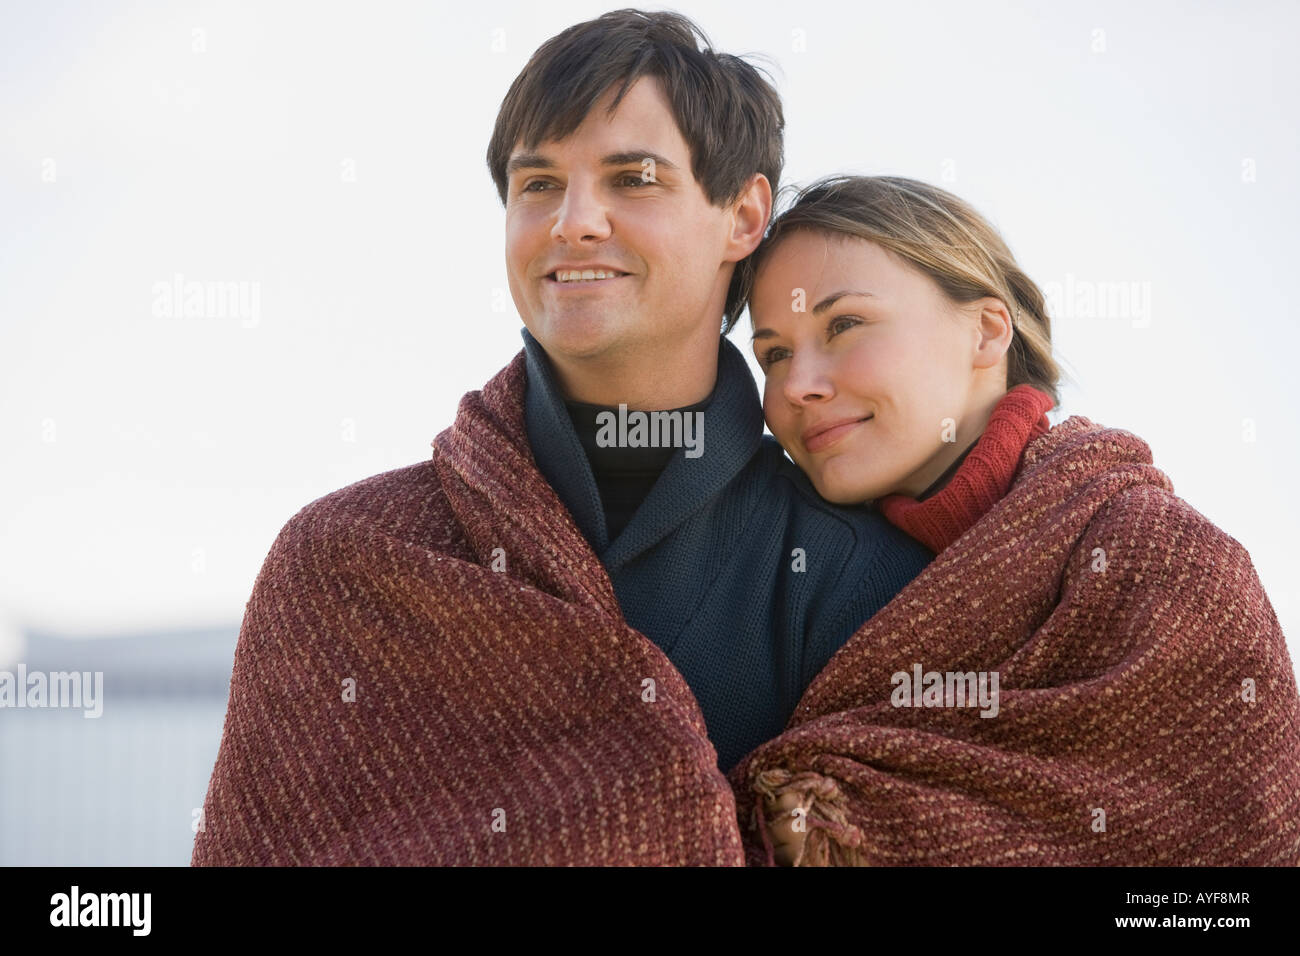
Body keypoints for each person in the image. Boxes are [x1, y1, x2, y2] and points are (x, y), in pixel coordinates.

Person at [191, 12, 932, 866]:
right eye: (537, 184)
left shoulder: (865, 577)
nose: (573, 221)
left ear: (743, 214)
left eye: (634, 178)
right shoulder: (342, 561)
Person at [732, 174, 1300, 866]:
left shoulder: (1162, 554)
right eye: (774, 354)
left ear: (986, 330)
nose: (796, 385)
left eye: (844, 324)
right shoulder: (782, 566)